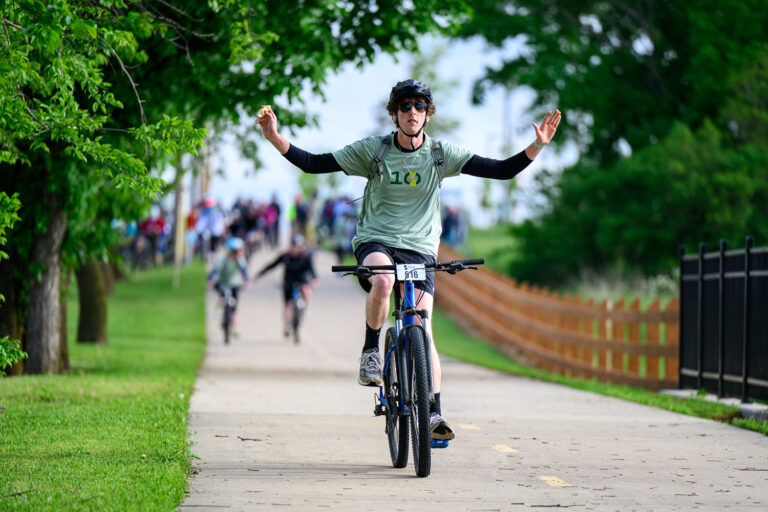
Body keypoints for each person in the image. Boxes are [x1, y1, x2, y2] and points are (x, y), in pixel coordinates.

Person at [256, 79, 561, 441]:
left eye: (419, 107)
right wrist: (275, 138)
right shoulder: (375, 151)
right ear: (395, 114)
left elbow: (501, 170)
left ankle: (434, 413)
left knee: (424, 326)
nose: (412, 113)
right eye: (405, 107)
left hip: (419, 249)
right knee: (384, 280)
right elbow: (313, 163)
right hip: (375, 241)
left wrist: (537, 147)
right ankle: (371, 351)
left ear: (428, 114)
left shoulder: (440, 154)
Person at [254, 234, 318, 338]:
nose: (296, 248)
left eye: (299, 246)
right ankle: (286, 326)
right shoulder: (285, 256)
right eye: (294, 245)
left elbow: (312, 270)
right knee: (287, 306)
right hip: (288, 282)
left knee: (306, 290)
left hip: (301, 280)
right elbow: (272, 265)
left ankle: (305, 308)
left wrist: (315, 279)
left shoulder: (305, 257)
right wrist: (259, 274)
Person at [206, 237, 250, 336]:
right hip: (222, 282)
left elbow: (244, 271)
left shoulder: (240, 260)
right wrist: (210, 280)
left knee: (235, 306)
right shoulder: (224, 260)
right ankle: (216, 312)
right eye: (238, 250)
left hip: (234, 283)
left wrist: (246, 281)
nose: (240, 252)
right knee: (222, 297)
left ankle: (234, 327)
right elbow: (215, 270)